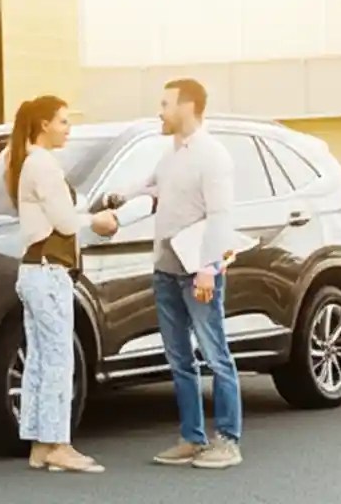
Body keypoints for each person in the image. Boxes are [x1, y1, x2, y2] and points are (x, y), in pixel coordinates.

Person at [104, 78, 244, 470]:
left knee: (216, 356)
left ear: (188, 106)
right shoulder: (172, 154)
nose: (160, 111)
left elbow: (219, 216)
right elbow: (155, 188)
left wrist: (207, 269)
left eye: (165, 103)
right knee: (179, 359)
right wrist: (123, 198)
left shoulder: (212, 156)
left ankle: (228, 441)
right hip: (165, 270)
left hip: (196, 273)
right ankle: (191, 438)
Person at [5, 95, 119, 474]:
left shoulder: (27, 162)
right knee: (57, 359)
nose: (68, 128)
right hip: (48, 271)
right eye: (63, 121)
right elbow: (67, 223)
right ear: (43, 125)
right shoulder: (43, 164)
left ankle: (40, 444)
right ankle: (59, 445)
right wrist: (96, 221)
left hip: (34, 272)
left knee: (39, 358)